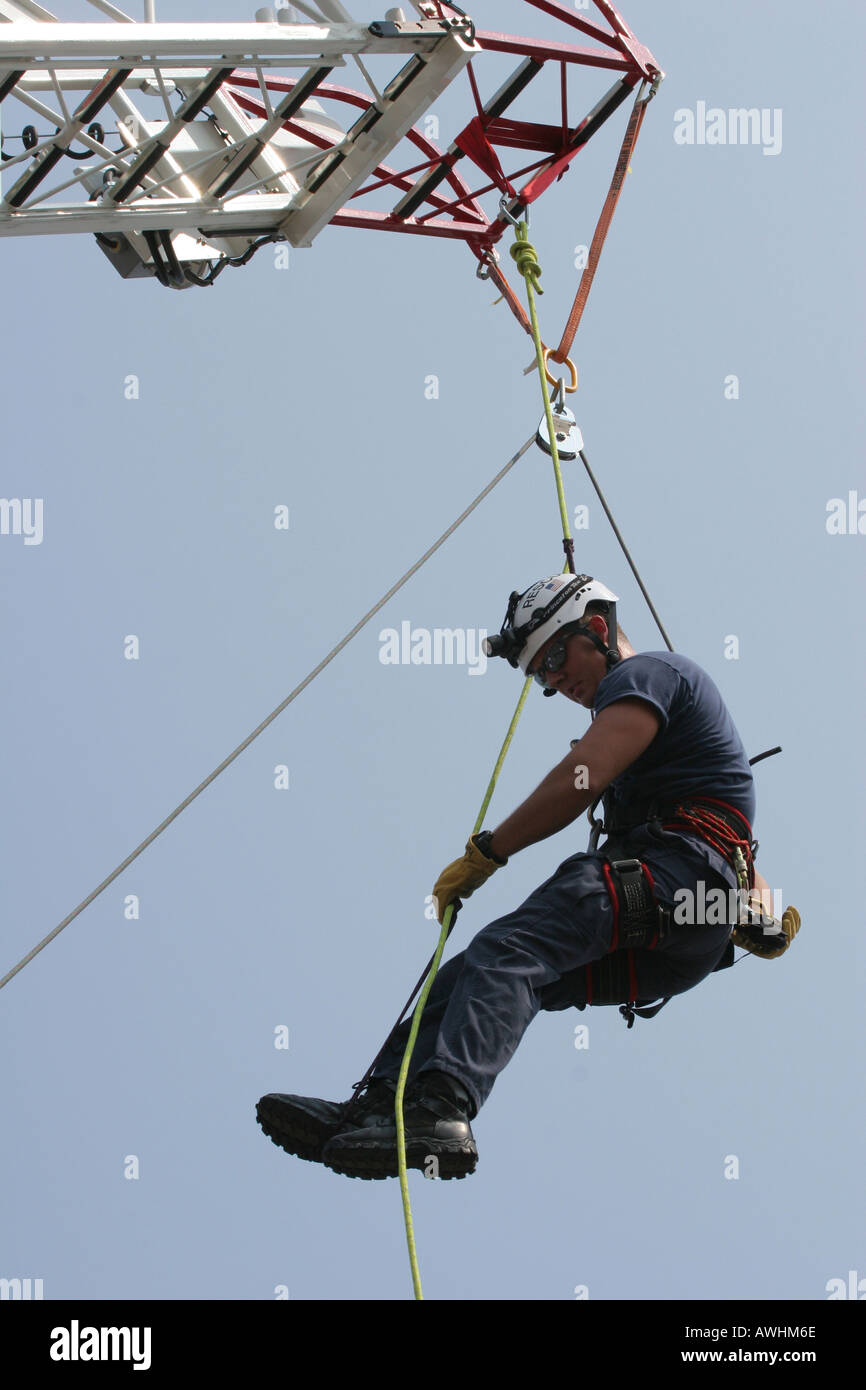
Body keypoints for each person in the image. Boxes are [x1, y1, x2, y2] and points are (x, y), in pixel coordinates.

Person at [256, 573, 799, 1180]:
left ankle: (442, 1109)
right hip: (682, 934)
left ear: (597, 628)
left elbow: (581, 777)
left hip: (675, 878)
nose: (556, 680)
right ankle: (379, 1107)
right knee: (473, 976)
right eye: (541, 675)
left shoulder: (650, 675)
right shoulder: (654, 721)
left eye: (557, 658)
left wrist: (488, 852)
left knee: (509, 950)